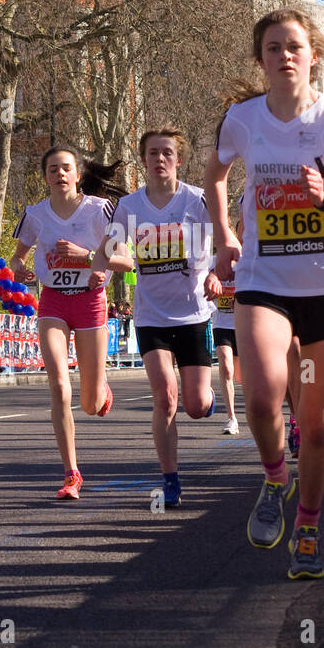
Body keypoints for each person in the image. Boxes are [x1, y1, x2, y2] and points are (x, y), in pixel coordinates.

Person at [205, 7, 324, 581]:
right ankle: (275, 475)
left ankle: (307, 525)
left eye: (295, 46)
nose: (285, 55)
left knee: (321, 418)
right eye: (274, 47)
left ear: (314, 57)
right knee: (262, 398)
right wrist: (226, 236)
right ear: (260, 60)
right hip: (264, 277)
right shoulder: (241, 119)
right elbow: (214, 176)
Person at [92, 127, 216, 508]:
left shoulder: (198, 200)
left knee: (194, 406)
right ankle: (170, 478)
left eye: (167, 153)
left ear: (178, 160)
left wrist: (215, 273)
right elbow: (108, 252)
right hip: (152, 317)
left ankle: (209, 400)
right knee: (165, 397)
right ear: (143, 160)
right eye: (152, 153)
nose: (160, 159)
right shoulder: (131, 207)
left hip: (194, 313)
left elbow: (227, 243)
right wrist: (101, 269)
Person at [11, 146, 123, 500]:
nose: (59, 174)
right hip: (53, 302)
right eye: (52, 169)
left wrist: (89, 258)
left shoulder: (100, 210)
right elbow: (16, 258)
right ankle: (72, 473)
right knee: (59, 387)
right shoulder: (35, 214)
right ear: (44, 177)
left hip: (90, 303)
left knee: (89, 404)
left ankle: (100, 392)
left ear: (77, 175)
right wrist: (18, 268)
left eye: (66, 168)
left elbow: (126, 260)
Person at [209, 215, 244, 435]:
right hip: (221, 321)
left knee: (243, 377)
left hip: (244, 323)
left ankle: (261, 413)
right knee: (226, 366)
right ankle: (231, 417)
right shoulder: (212, 262)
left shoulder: (245, 261)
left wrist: (240, 299)